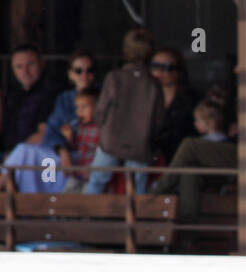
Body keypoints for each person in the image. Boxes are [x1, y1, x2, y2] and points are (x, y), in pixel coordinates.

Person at [2, 48, 95, 193]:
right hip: (61, 152)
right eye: (78, 71)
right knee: (36, 158)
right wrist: (62, 149)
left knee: (33, 157)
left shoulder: (102, 96)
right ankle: (29, 204)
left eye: (89, 70)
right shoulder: (65, 98)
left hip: (85, 153)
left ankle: (45, 204)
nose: (84, 75)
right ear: (71, 74)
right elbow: (52, 129)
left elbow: (44, 132)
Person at [86, 27, 163, 195]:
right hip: (140, 144)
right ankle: (137, 219)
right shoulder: (154, 84)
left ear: (126, 50)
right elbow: (158, 120)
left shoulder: (114, 77)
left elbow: (101, 111)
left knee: (97, 181)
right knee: (137, 185)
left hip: (111, 140)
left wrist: (102, 126)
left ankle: (87, 216)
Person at [149, 99, 235, 222]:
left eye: (198, 120)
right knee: (189, 173)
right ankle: (187, 225)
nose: (195, 124)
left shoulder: (216, 145)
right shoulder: (204, 144)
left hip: (223, 176)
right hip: (210, 176)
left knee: (188, 145)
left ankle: (158, 189)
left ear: (210, 123)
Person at [1, 43, 62, 154]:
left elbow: (44, 133)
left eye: (31, 64)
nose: (25, 72)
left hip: (35, 157)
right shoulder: (12, 92)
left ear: (42, 63)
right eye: (19, 67)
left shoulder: (52, 92)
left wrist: (14, 158)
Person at [150, 47, 196, 166]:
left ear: (179, 71)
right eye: (155, 66)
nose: (159, 72)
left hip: (181, 160)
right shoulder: (144, 97)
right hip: (151, 162)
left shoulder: (191, 99)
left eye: (167, 67)